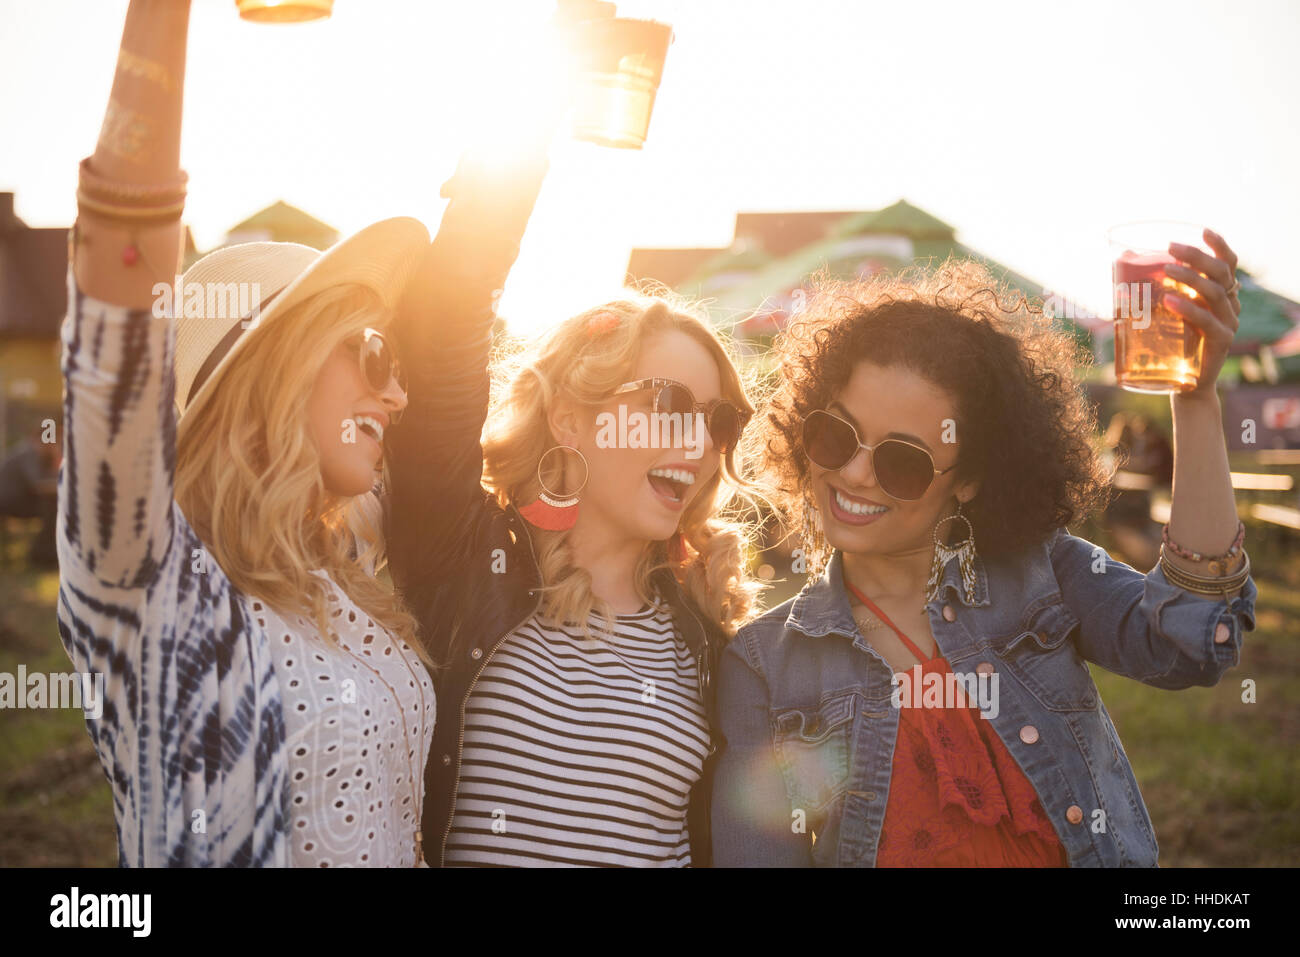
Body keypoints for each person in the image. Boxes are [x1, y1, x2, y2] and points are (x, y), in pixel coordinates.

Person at [711, 252, 1258, 867]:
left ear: (968, 478)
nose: (854, 474)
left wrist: (1196, 399)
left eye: (902, 461)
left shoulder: (1044, 575)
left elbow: (1192, 643)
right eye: (834, 435)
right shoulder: (765, 665)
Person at [57, 0, 434, 866]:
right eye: (371, 353)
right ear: (276, 374)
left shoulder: (347, 576)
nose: (401, 393)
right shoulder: (157, 592)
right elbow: (115, 318)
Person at [385, 157, 766, 864]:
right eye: (666, 405)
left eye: (717, 420)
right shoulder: (469, 558)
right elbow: (442, 346)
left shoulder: (715, 649)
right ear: (568, 418)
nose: (698, 442)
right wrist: (519, 152)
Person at [0, 422, 60, 567]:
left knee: (54, 505)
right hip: (7, 502)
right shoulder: (28, 452)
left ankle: (45, 554)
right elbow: (39, 486)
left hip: (19, 500)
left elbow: (49, 480)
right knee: (52, 507)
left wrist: (56, 460)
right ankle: (42, 555)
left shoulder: (37, 454)